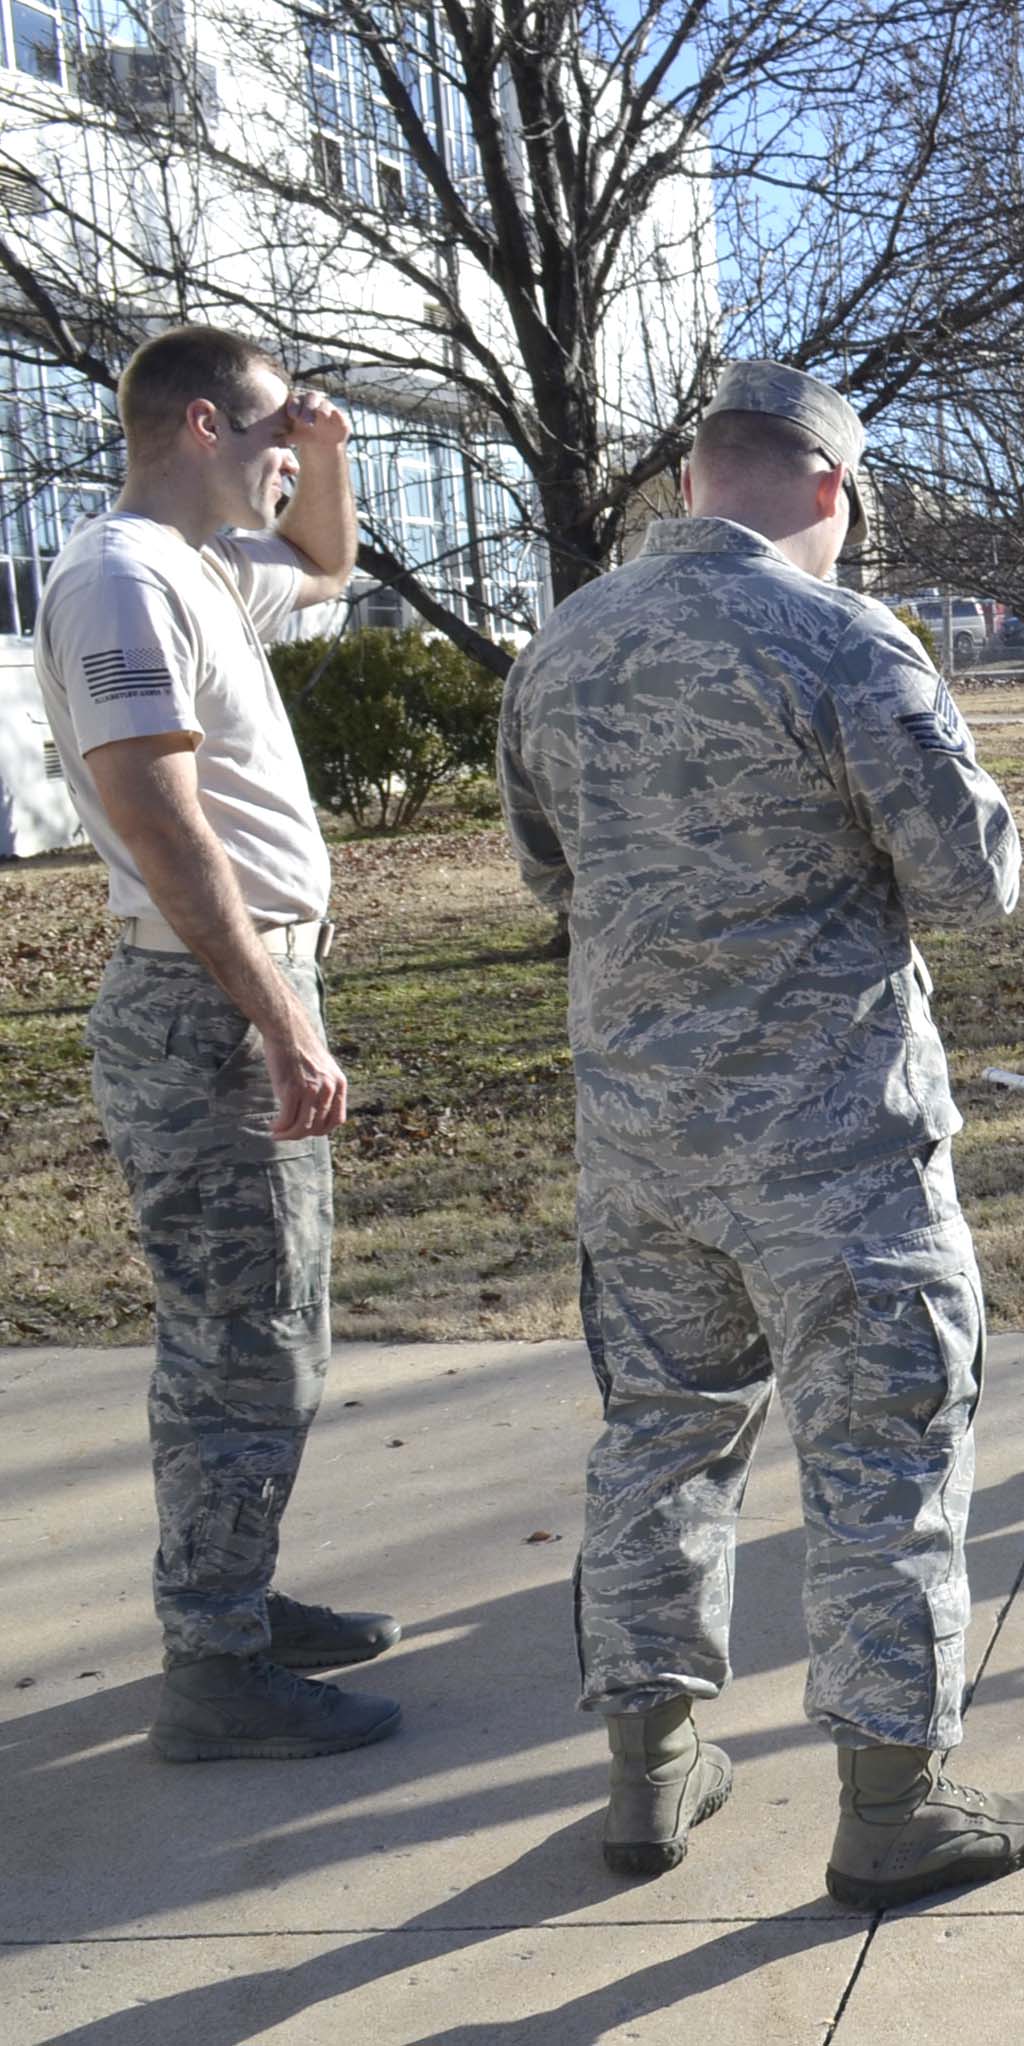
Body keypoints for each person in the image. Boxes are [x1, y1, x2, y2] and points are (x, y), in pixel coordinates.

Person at [500, 362, 1024, 1899]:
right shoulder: (840, 639)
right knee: (884, 1458)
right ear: (829, 489)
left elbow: (549, 878)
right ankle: (890, 1804)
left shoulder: (560, 647)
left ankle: (649, 1766)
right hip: (833, 1146)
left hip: (637, 1141)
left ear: (695, 480)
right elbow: (968, 880)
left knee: (660, 1440)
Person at [31, 327, 393, 1762]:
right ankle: (215, 1664)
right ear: (197, 424)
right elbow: (157, 817)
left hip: (227, 997)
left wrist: (331, 456)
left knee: (267, 1336)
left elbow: (329, 567)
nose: (285, 468)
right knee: (239, 1349)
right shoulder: (119, 574)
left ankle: (234, 1599)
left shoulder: (199, 567)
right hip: (203, 1007)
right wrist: (278, 1014)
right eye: (265, 443)